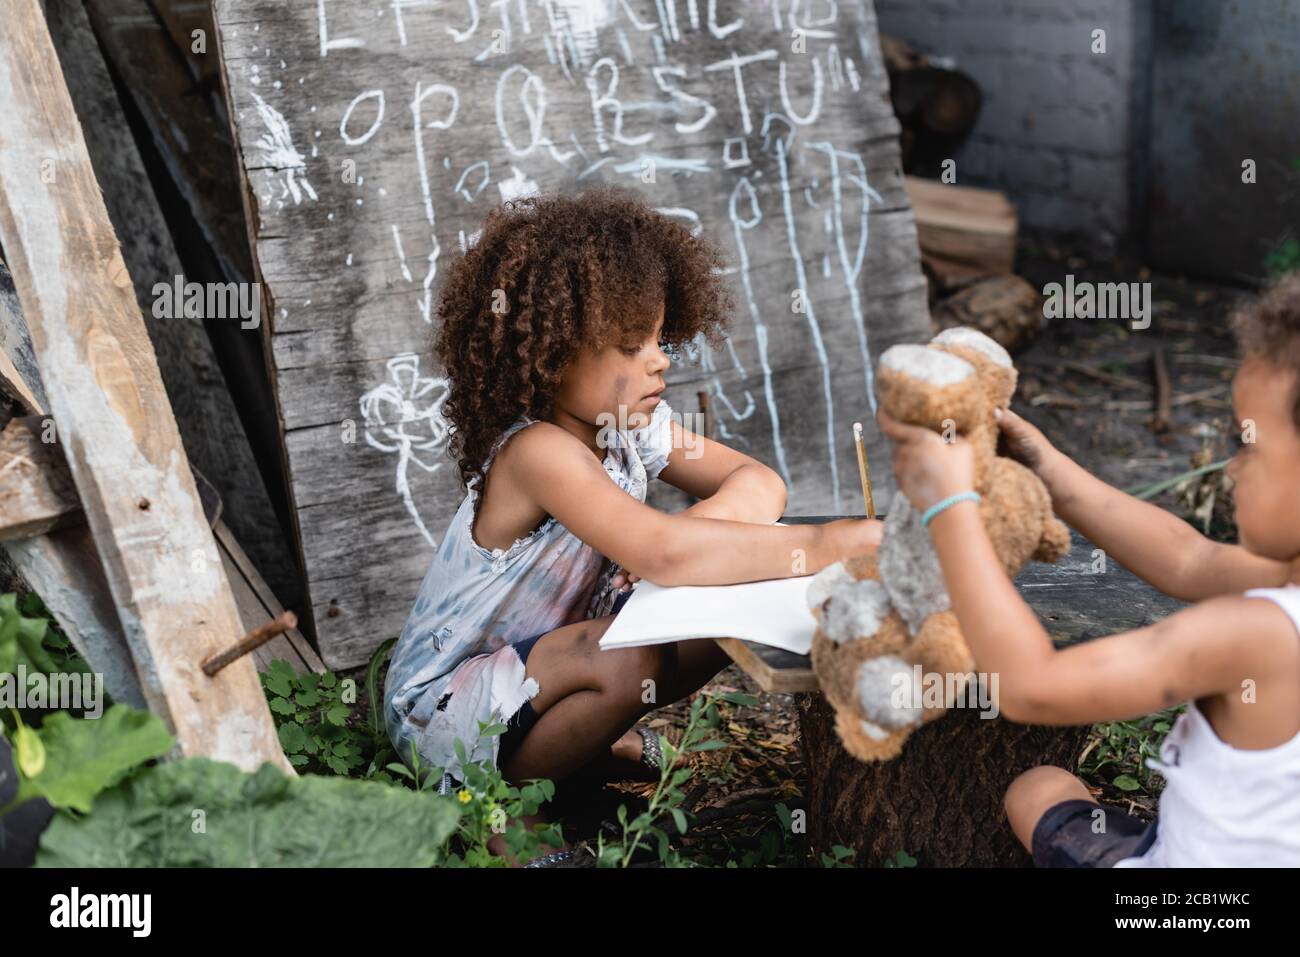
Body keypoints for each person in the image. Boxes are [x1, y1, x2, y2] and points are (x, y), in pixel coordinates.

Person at [383, 184, 880, 865]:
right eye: (629, 343)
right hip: (438, 711)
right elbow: (667, 551)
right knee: (636, 650)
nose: (660, 358)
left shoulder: (628, 432)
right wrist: (826, 542)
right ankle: (497, 809)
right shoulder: (539, 454)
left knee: (710, 610)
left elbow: (761, 483)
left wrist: (686, 547)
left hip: (539, 670)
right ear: (552, 355)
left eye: (658, 336)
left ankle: (577, 751)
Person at [877, 274, 1300, 867]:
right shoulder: (1285, 584)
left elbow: (1031, 689)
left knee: (1034, 790)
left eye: (1251, 445)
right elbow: (1189, 557)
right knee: (1041, 791)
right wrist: (1047, 466)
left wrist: (949, 507)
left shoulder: (1259, 634)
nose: (1232, 466)